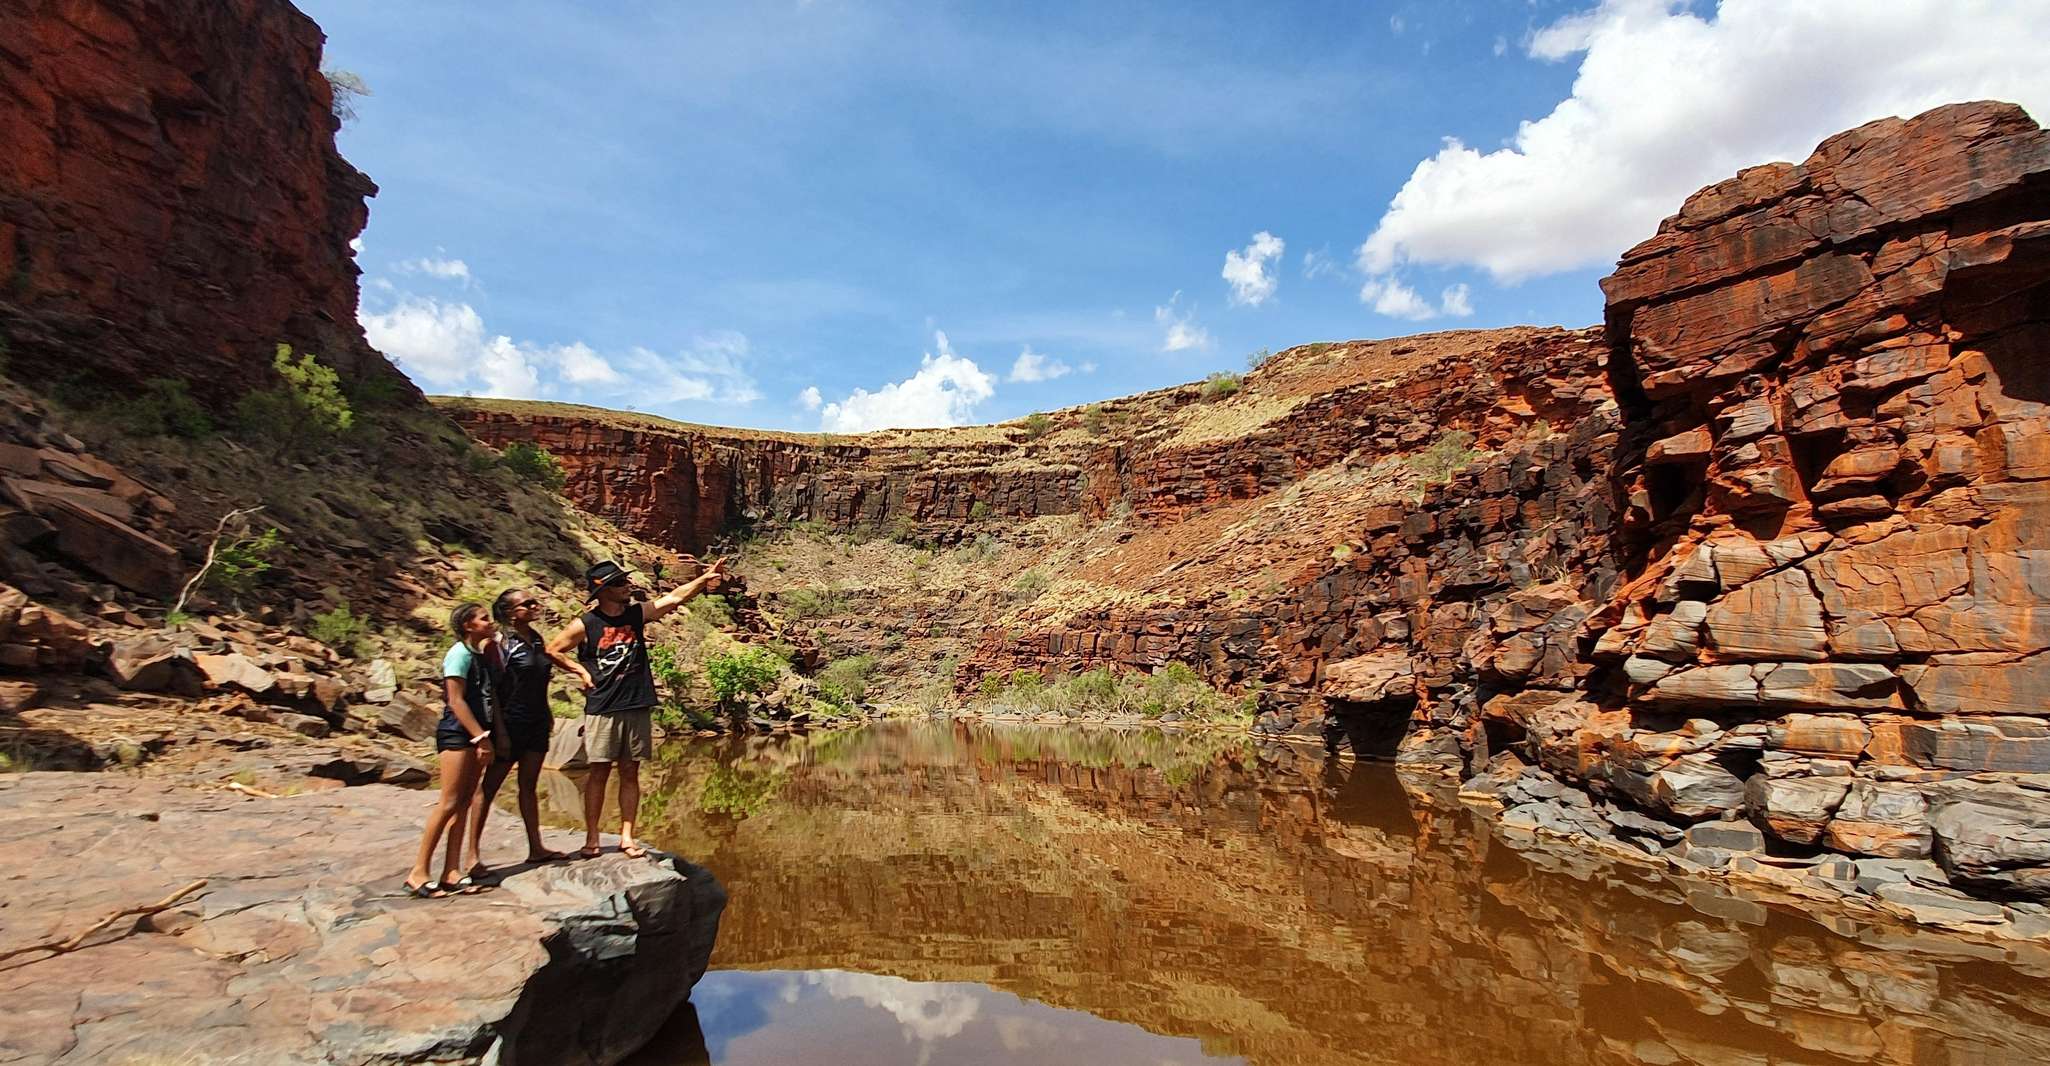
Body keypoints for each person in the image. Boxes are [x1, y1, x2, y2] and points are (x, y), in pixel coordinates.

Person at [548, 557, 726, 859]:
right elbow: (553, 649)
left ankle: (627, 837)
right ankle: (592, 838)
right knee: (599, 772)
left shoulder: (634, 615)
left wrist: (704, 578)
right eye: (619, 583)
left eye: (626, 581)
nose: (627, 586)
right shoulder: (586, 623)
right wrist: (580, 671)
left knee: (630, 772)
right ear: (602, 591)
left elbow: (673, 598)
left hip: (636, 702)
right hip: (603, 705)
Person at [461, 587, 587, 877]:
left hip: (537, 720)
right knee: (489, 787)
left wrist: (549, 712)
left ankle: (536, 847)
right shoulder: (499, 643)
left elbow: (540, 678)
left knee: (528, 785)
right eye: (526, 604)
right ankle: (471, 856)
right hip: (509, 722)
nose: (534, 605)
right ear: (509, 613)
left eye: (534, 601)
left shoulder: (537, 638)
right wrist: (500, 733)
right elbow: (492, 689)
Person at [403, 602, 506, 898]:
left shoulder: (480, 654)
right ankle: (418, 872)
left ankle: (451, 871)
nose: (490, 622)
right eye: (484, 619)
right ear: (468, 626)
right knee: (448, 802)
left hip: (477, 734)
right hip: (458, 735)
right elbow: (456, 700)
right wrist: (480, 738)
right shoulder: (459, 654)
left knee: (463, 803)